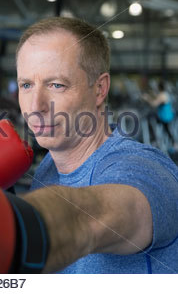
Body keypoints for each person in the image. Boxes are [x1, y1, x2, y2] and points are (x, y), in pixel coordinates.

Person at [15, 17, 178, 273]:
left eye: (56, 85)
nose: (35, 106)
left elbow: (86, 220)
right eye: (26, 85)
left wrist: (2, 221)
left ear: (99, 89)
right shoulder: (47, 170)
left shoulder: (145, 170)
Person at [142, 81, 176, 148]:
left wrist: (147, 98)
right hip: (167, 115)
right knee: (167, 130)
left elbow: (154, 104)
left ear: (159, 87)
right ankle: (173, 144)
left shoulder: (162, 95)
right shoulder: (165, 93)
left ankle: (154, 140)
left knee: (149, 120)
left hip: (164, 116)